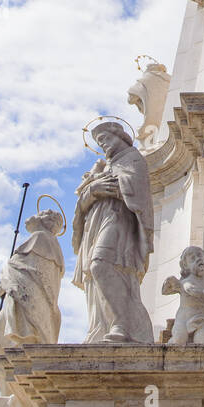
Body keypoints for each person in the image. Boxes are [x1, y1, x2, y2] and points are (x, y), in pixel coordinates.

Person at [72, 122, 155, 344]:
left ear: (121, 137)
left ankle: (121, 323)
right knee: (94, 267)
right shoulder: (103, 167)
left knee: (100, 264)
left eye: (107, 139)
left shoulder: (133, 159)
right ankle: (106, 324)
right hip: (97, 221)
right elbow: (81, 203)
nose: (104, 145)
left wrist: (107, 183)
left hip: (119, 218)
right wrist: (91, 189)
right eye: (100, 143)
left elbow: (138, 189)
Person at [0, 209, 64, 394]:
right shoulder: (42, 241)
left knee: (4, 349)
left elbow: (25, 274)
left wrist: (7, 275)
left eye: (43, 212)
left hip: (24, 304)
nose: (36, 214)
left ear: (46, 221)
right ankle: (7, 394)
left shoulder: (41, 239)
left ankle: (14, 395)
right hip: (15, 302)